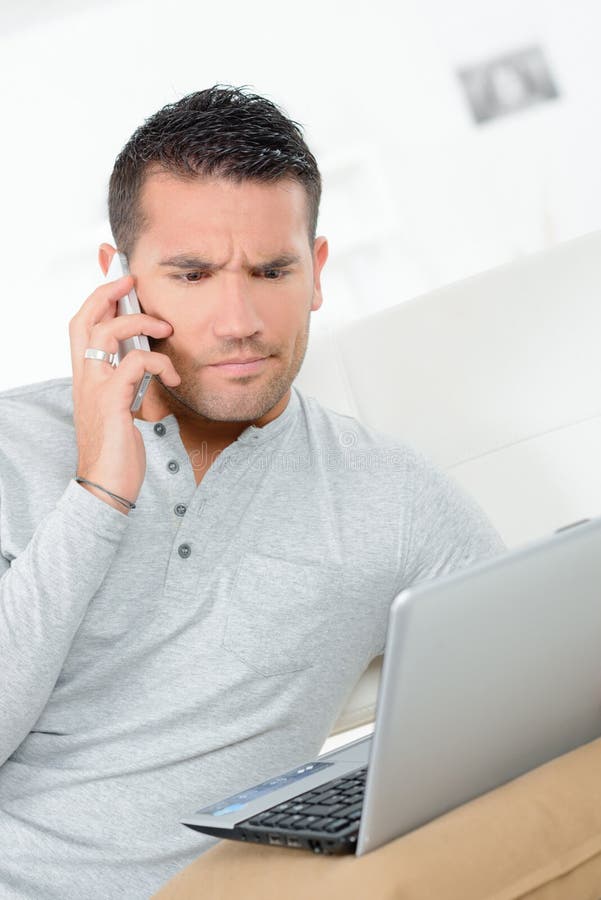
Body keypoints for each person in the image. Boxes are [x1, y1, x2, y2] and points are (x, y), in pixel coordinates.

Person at [0, 85, 504, 899]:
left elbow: (531, 694)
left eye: (271, 270)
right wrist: (98, 492)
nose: (239, 319)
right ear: (119, 282)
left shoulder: (394, 496)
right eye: (192, 273)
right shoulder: (10, 450)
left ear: (316, 272)